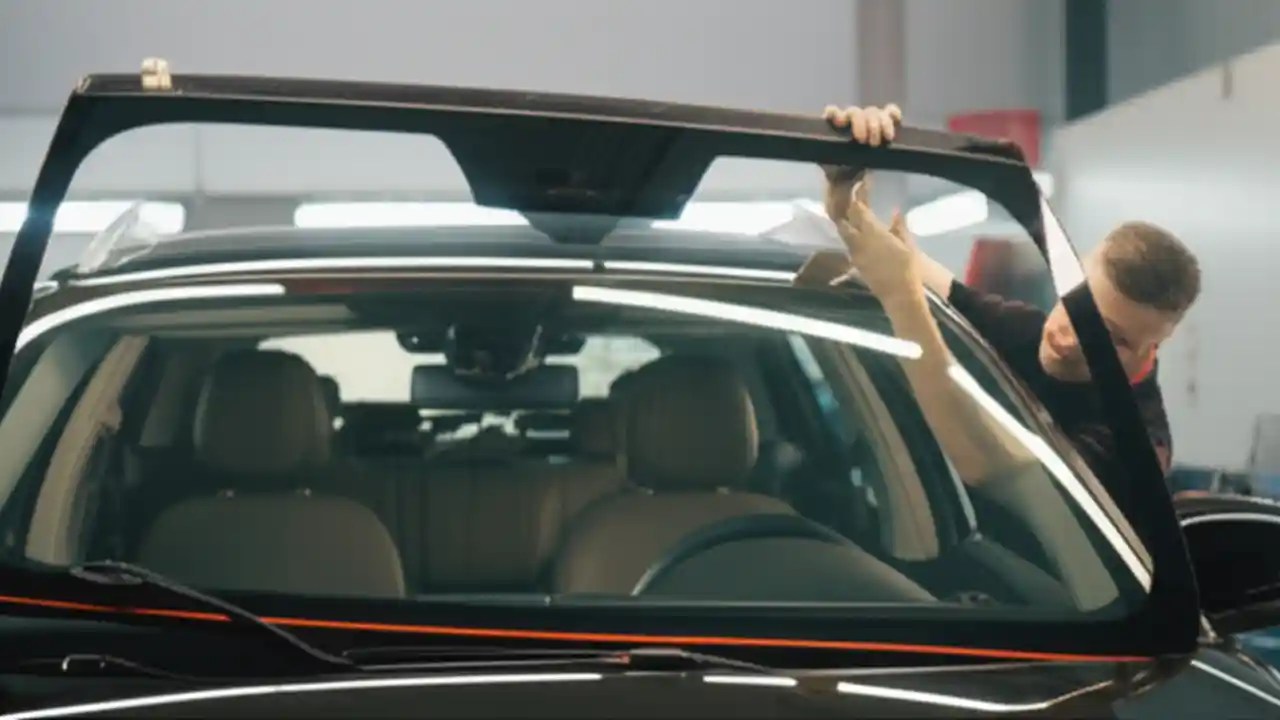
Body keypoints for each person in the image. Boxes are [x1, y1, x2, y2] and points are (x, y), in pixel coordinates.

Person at [800, 104, 1201, 488]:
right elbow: (904, 264)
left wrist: (901, 297)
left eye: (1110, 338)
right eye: (1077, 304)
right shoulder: (1025, 329)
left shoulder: (1136, 443)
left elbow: (990, 466)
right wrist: (848, 184)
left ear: (1155, 347)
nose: (1069, 338)